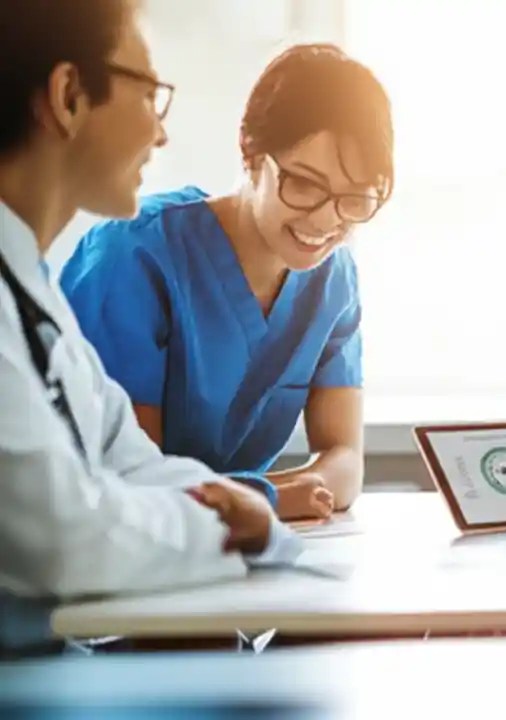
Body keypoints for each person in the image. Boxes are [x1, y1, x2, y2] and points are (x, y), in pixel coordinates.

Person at [0, 0, 297, 651]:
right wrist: (237, 531)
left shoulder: (33, 296)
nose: (161, 135)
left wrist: (250, 521)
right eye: (150, 96)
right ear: (69, 94)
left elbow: (127, 457)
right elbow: (58, 538)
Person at [60, 44, 393, 520]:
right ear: (251, 153)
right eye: (304, 185)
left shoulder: (333, 280)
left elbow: (345, 463)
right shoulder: (135, 255)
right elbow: (127, 480)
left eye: (356, 198)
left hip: (237, 547)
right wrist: (267, 498)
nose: (325, 221)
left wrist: (266, 498)